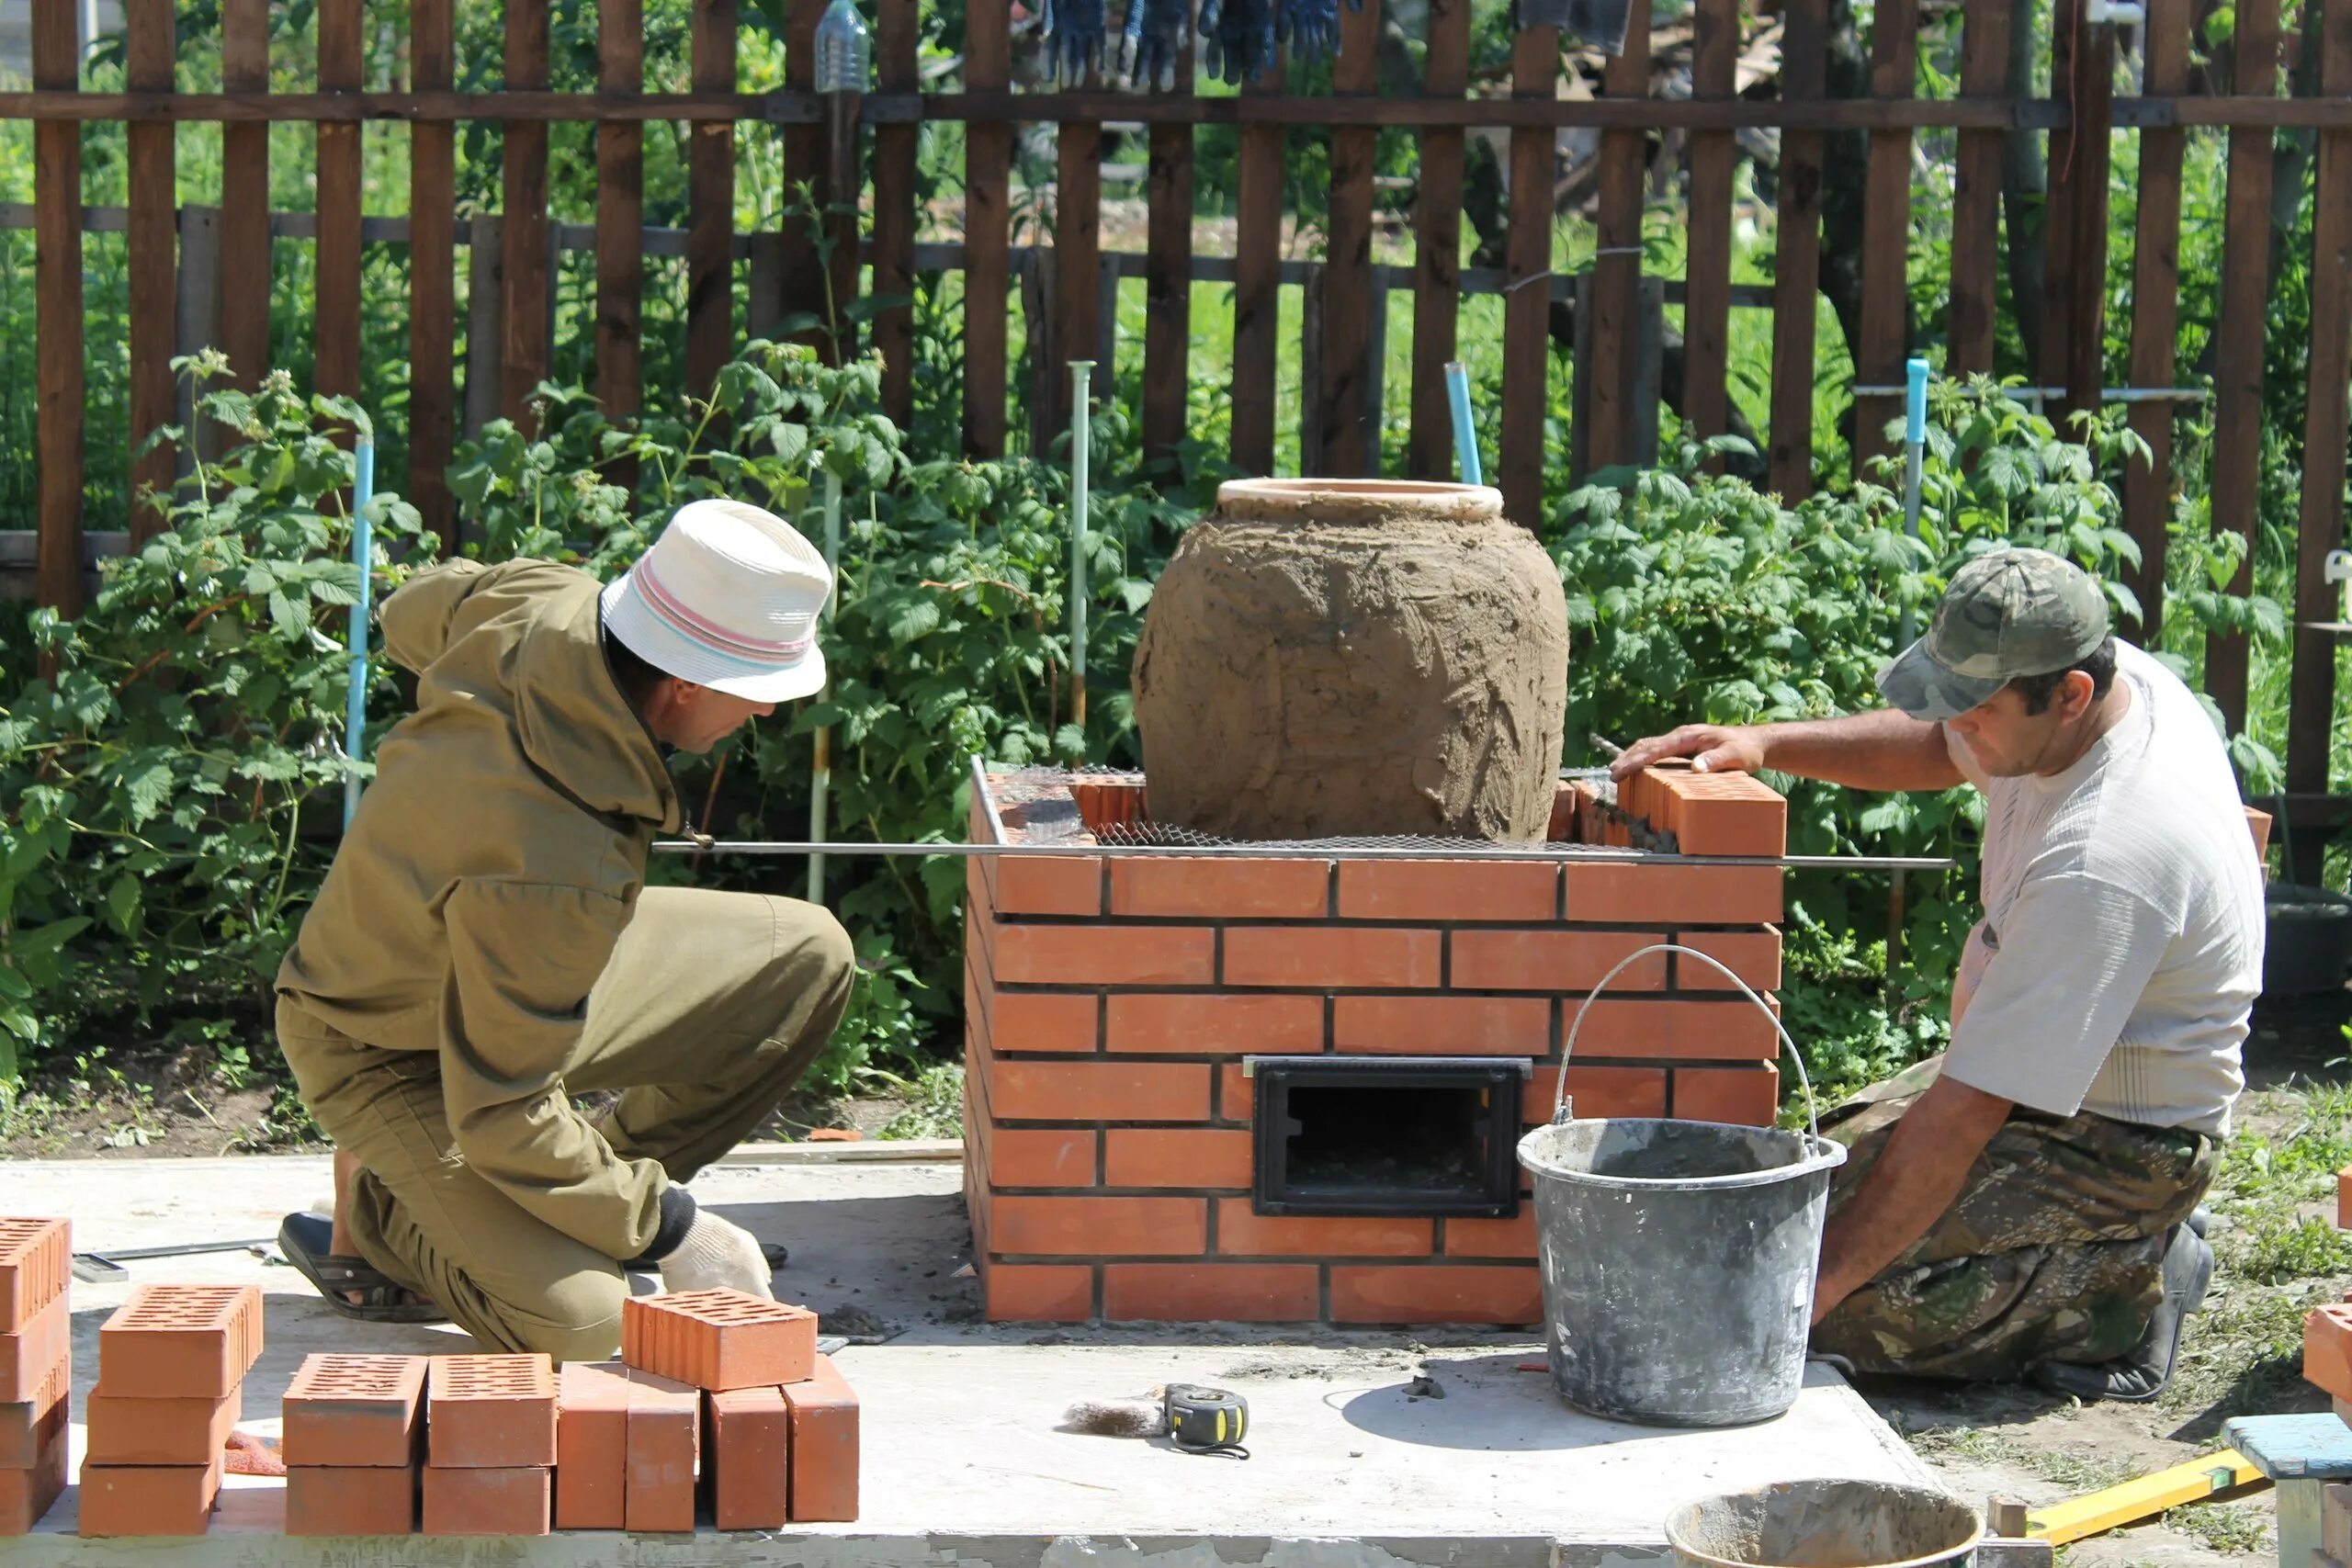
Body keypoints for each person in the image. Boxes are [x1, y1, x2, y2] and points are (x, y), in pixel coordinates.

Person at [1612, 547, 2264, 1401]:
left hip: (2121, 1138)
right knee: (1762, 1211)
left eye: (1978, 711)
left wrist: (1803, 1301)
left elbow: (1961, 1117)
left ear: (2070, 693)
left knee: (1812, 1297)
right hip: (2031, 1074)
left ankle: (2123, 1286)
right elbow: (1935, 740)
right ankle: (2085, 1253)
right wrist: (1764, 742)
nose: (1961, 728)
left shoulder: (2111, 854)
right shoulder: (2079, 684)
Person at [272, 499, 857, 1359]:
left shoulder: (542, 598)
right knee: (585, 1324)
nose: (765, 715)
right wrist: (671, 1226)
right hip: (379, 1044)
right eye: (756, 692)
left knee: (805, 959)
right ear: (686, 681)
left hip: (513, 964)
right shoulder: (552, 858)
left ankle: (557, 1204)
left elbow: (408, 614)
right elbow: (501, 1112)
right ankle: (387, 1210)